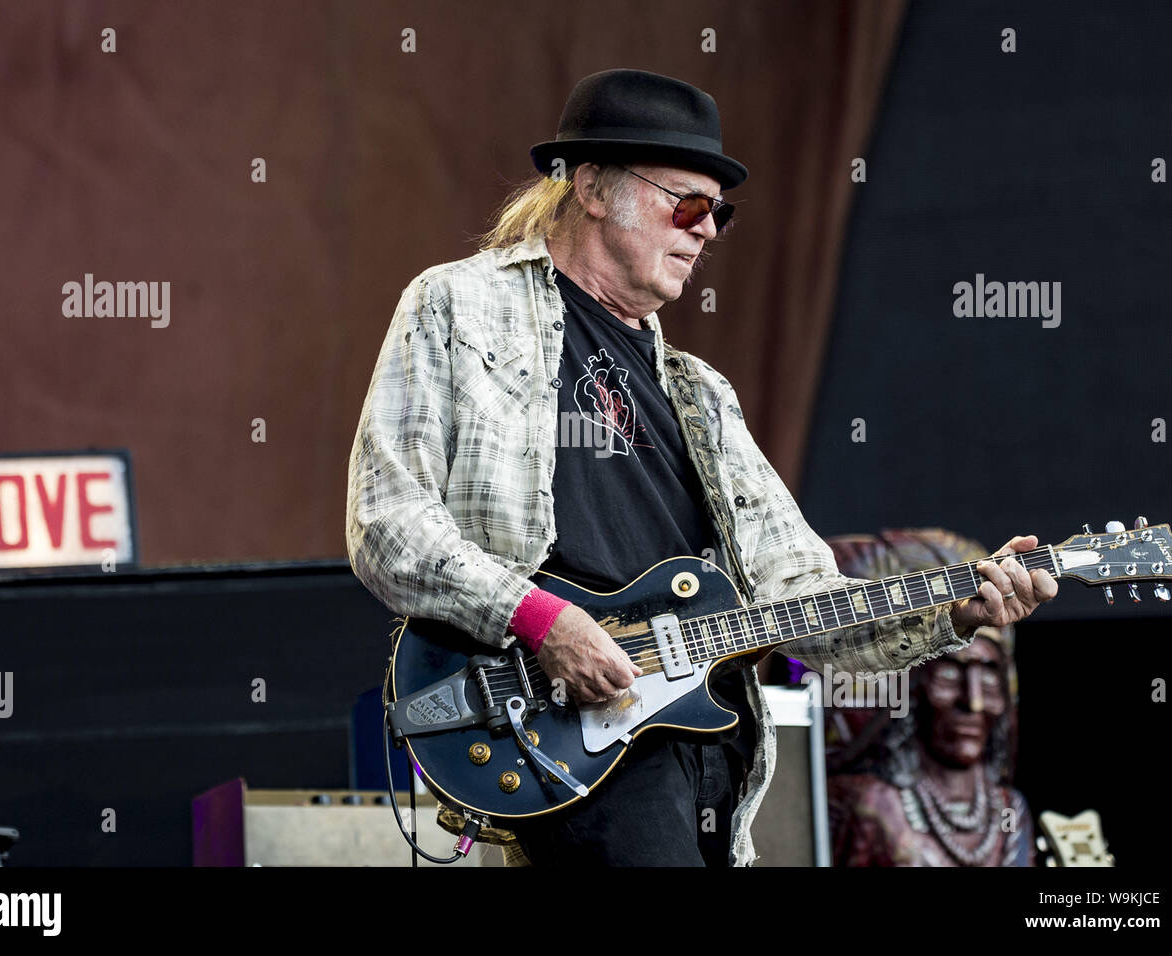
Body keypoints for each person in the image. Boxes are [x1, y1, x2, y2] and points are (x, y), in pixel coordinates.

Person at [346, 68, 1057, 867]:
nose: (708, 230)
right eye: (686, 203)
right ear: (590, 186)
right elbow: (389, 524)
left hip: (710, 744)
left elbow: (804, 600)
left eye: (720, 212)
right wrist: (546, 622)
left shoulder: (703, 396)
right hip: (567, 720)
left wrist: (958, 610)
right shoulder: (459, 306)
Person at [823, 529, 1034, 866]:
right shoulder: (869, 804)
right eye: (950, 674)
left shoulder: (1010, 810)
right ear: (912, 689)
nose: (973, 701)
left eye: (990, 676)